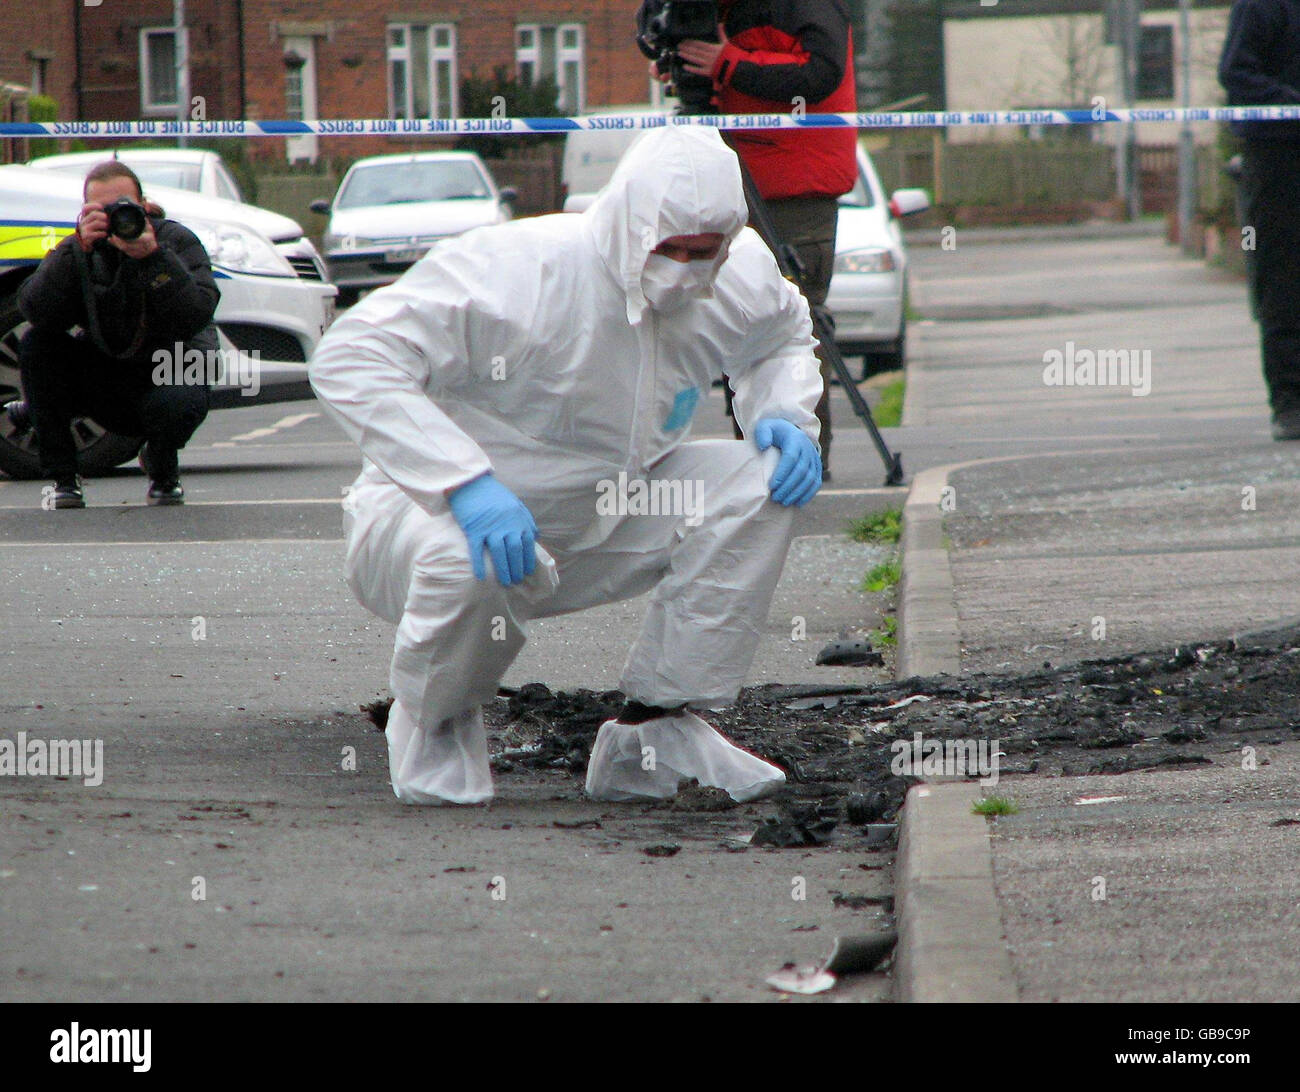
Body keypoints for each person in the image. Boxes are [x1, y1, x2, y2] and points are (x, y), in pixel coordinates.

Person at [310, 127, 823, 806]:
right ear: (629, 223)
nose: (687, 270)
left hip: (606, 518)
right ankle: (433, 721)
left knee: (758, 486)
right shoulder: (518, 269)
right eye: (669, 248)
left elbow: (781, 336)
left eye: (706, 252)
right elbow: (353, 356)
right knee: (467, 560)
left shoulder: (739, 274)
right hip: (436, 526)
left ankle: (655, 733)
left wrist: (781, 412)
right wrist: (462, 484)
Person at [674, 0, 858, 478]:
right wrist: (700, 69)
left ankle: (801, 464)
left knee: (796, 326)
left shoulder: (806, 8)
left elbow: (820, 74)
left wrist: (726, 62)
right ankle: (755, 462)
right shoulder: (729, 11)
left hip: (795, 195)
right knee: (739, 323)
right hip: (741, 187)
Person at [13, 161, 216, 506]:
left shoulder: (175, 240)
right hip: (106, 372)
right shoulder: (78, 249)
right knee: (37, 344)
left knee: (192, 370)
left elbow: (197, 313)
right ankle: (64, 479)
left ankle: (163, 467)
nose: (114, 217)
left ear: (144, 205)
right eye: (101, 210)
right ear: (85, 213)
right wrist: (76, 250)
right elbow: (36, 310)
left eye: (122, 207)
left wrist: (154, 259)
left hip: (165, 369)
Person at [1218, 0, 1300, 440]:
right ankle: (1290, 401)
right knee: (1282, 280)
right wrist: (1291, 104)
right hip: (1277, 158)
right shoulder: (1262, 6)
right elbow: (1235, 73)